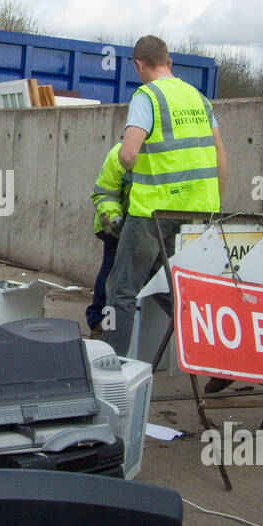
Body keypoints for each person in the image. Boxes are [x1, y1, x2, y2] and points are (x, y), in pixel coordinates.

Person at [103, 35, 227, 358]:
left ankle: (109, 367)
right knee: (175, 289)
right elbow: (220, 154)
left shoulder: (147, 97)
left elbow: (128, 155)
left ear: (139, 65)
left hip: (152, 214)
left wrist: (124, 157)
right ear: (169, 63)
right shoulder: (200, 99)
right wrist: (215, 202)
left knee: (121, 289)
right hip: (197, 212)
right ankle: (217, 356)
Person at [86, 140, 131, 339]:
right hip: (114, 226)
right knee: (112, 271)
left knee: (117, 274)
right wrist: (114, 220)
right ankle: (99, 322)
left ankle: (107, 322)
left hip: (135, 225)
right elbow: (104, 192)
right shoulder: (119, 154)